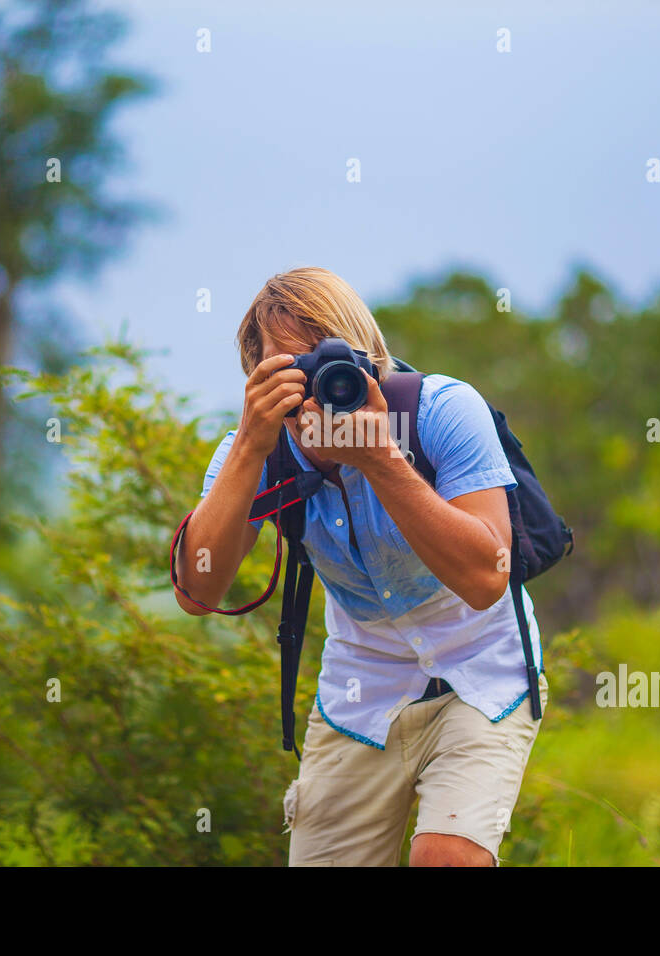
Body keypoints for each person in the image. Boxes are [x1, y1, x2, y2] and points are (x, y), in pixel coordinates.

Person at [173, 266, 547, 866]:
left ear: (370, 359)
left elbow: (486, 581)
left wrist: (381, 460)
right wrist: (249, 444)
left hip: (482, 670)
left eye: (330, 364)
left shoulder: (442, 411)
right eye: (292, 370)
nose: (316, 391)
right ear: (257, 377)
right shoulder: (254, 450)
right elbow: (197, 591)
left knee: (446, 857)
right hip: (361, 690)